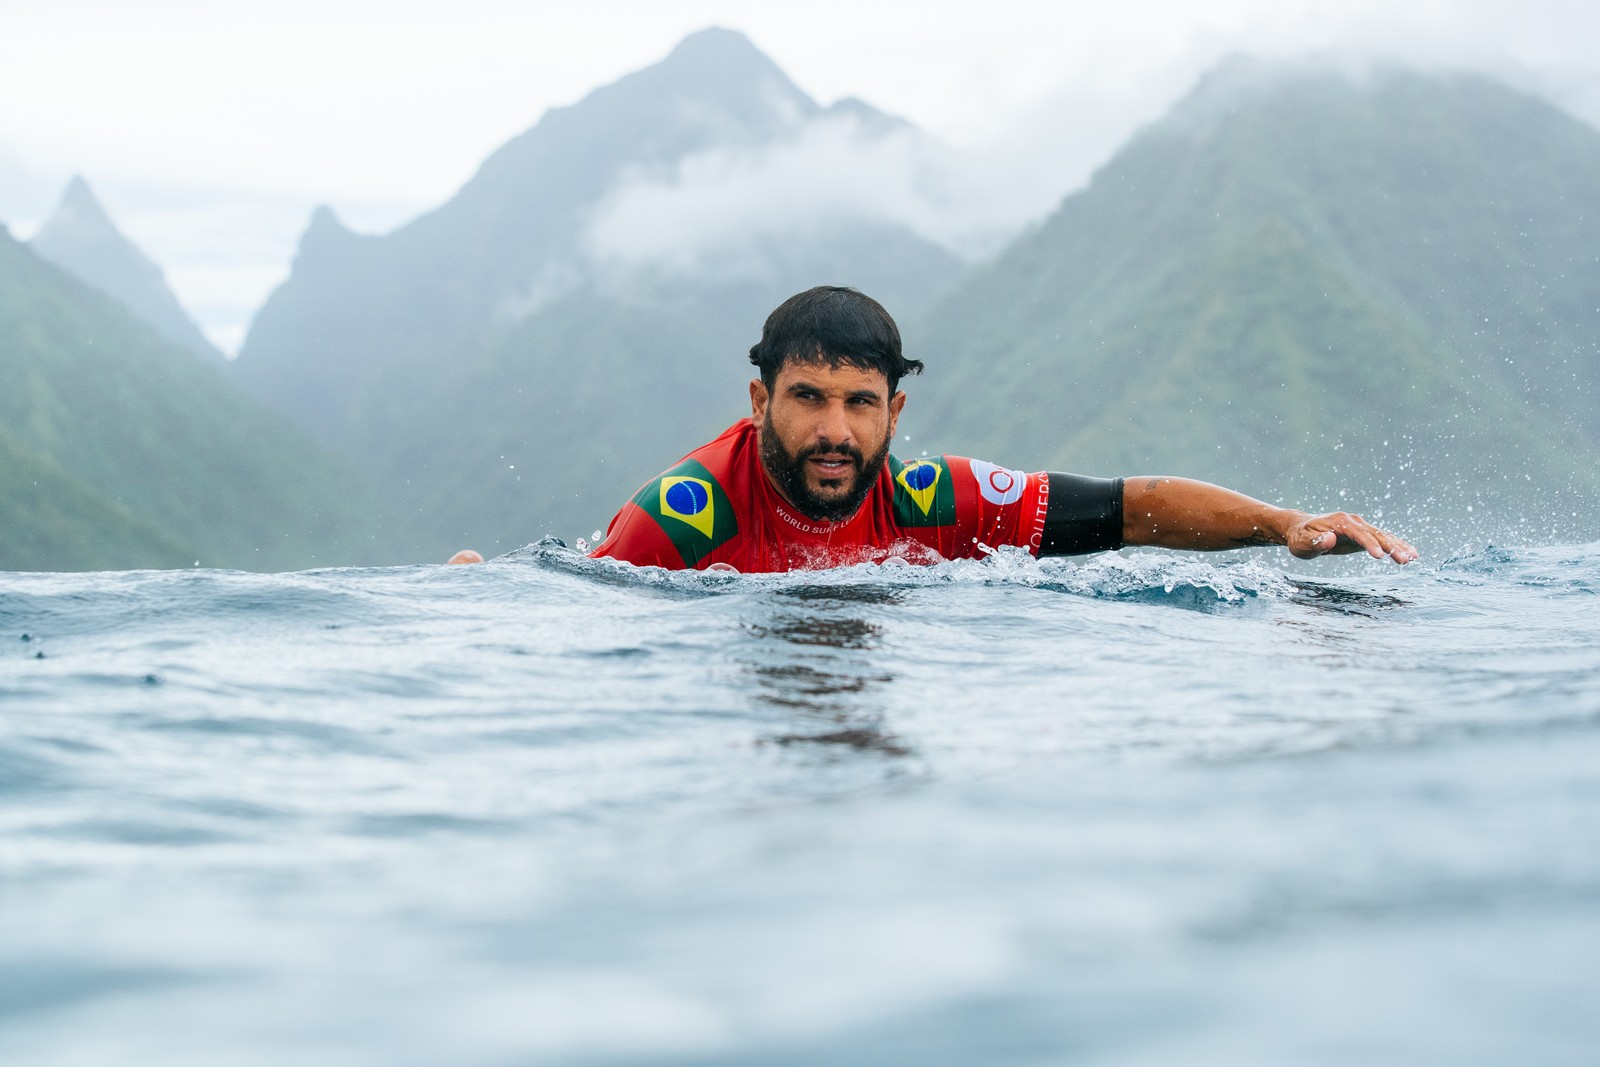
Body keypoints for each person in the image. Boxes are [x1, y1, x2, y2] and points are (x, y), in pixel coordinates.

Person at [450, 286, 1416, 571]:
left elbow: (1134, 510)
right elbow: (576, 636)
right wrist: (481, 610)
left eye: (859, 403)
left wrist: (1282, 522)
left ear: (893, 412)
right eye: (807, 399)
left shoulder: (931, 499)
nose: (834, 429)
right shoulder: (683, 520)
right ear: (758, 403)